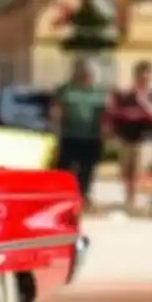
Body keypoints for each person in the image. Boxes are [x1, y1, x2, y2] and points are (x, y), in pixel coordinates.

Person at [50, 58, 109, 205]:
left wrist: (107, 133)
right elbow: (56, 111)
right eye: (82, 71)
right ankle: (60, 196)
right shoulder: (65, 89)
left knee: (87, 169)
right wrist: (54, 130)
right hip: (69, 136)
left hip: (92, 137)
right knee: (64, 168)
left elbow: (107, 114)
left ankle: (83, 197)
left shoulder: (100, 91)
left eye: (89, 72)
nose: (85, 75)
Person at [107, 60, 152, 213]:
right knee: (125, 170)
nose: (143, 79)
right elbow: (115, 113)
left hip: (145, 139)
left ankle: (134, 200)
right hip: (125, 138)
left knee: (138, 169)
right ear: (135, 76)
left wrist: (143, 103)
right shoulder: (125, 95)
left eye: (146, 76)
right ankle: (129, 198)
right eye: (140, 75)